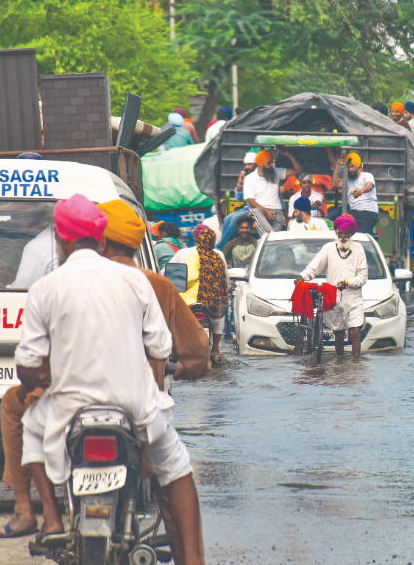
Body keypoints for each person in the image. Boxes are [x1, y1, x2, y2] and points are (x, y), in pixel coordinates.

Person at [14, 195, 203, 565]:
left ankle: (52, 520)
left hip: (70, 411)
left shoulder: (45, 288)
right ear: (99, 240)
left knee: (31, 428)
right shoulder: (135, 280)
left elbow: (29, 362)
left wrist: (32, 381)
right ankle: (195, 560)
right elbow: (161, 346)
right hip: (134, 408)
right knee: (176, 467)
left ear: (60, 239)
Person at [296, 214, 368, 357]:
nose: (343, 236)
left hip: (353, 296)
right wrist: (302, 277)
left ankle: (356, 363)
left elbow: (363, 276)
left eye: (346, 233)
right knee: (338, 333)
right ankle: (340, 362)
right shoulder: (328, 248)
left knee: (355, 331)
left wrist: (347, 283)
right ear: (336, 233)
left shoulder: (358, 249)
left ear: (351, 234)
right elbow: (314, 267)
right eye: (340, 233)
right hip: (332, 296)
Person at [175, 225, 229, 357]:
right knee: (219, 317)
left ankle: (176, 347)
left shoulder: (193, 255)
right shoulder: (218, 256)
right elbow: (224, 279)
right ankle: (215, 348)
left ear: (198, 240)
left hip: (192, 298)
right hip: (214, 300)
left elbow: (190, 276)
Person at [244, 148, 302, 233]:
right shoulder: (249, 178)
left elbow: (298, 170)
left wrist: (289, 155)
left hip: (277, 212)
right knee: (254, 211)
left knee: (271, 231)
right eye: (269, 163)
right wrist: (266, 211)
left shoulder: (276, 172)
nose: (272, 165)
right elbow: (251, 202)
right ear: (261, 164)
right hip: (260, 211)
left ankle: (270, 234)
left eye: (272, 162)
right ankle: (271, 233)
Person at [215, 151, 258, 250]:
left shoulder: (258, 177)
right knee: (227, 218)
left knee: (235, 219)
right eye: (246, 165)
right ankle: (226, 243)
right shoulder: (248, 178)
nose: (247, 167)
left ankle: (220, 247)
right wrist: (240, 183)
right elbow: (239, 198)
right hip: (247, 208)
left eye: (250, 164)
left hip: (256, 208)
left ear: (256, 165)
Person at [329, 152, 378, 234]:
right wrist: (337, 164)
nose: (350, 170)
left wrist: (361, 191)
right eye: (348, 167)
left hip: (368, 212)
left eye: (352, 166)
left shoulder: (367, 175)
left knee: (358, 235)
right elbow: (335, 184)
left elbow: (369, 185)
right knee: (339, 227)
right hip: (353, 212)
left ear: (358, 166)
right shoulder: (347, 180)